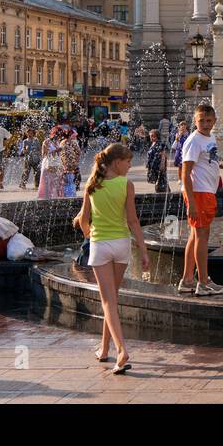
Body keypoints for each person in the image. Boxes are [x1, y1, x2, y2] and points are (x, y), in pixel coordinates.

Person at [72, 143, 149, 373]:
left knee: (108, 303)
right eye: (128, 161)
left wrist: (88, 233)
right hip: (121, 246)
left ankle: (121, 350)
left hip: (100, 247)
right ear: (117, 162)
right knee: (112, 301)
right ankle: (105, 349)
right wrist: (144, 250)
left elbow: (84, 219)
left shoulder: (92, 184)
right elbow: (133, 221)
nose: (130, 165)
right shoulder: (126, 185)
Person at [178, 103, 223, 297]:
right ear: (194, 121)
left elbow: (209, 164)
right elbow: (185, 173)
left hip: (206, 191)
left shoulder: (209, 137)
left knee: (194, 236)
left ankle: (187, 280)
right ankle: (203, 282)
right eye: (201, 121)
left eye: (208, 120)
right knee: (202, 237)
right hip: (199, 193)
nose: (205, 124)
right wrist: (192, 202)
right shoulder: (194, 141)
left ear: (214, 121)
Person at [38, 126, 65, 200]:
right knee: (48, 182)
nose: (59, 136)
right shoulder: (46, 141)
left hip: (56, 164)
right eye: (58, 134)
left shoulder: (57, 142)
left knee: (56, 181)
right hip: (48, 165)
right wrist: (56, 151)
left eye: (60, 135)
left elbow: (58, 155)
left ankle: (56, 197)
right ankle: (47, 198)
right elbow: (44, 154)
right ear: (54, 133)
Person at [61, 128, 83, 198]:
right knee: (71, 179)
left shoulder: (62, 142)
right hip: (71, 163)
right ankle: (71, 194)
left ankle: (67, 194)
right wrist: (76, 160)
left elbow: (60, 153)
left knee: (67, 180)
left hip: (65, 163)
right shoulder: (72, 142)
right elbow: (79, 152)